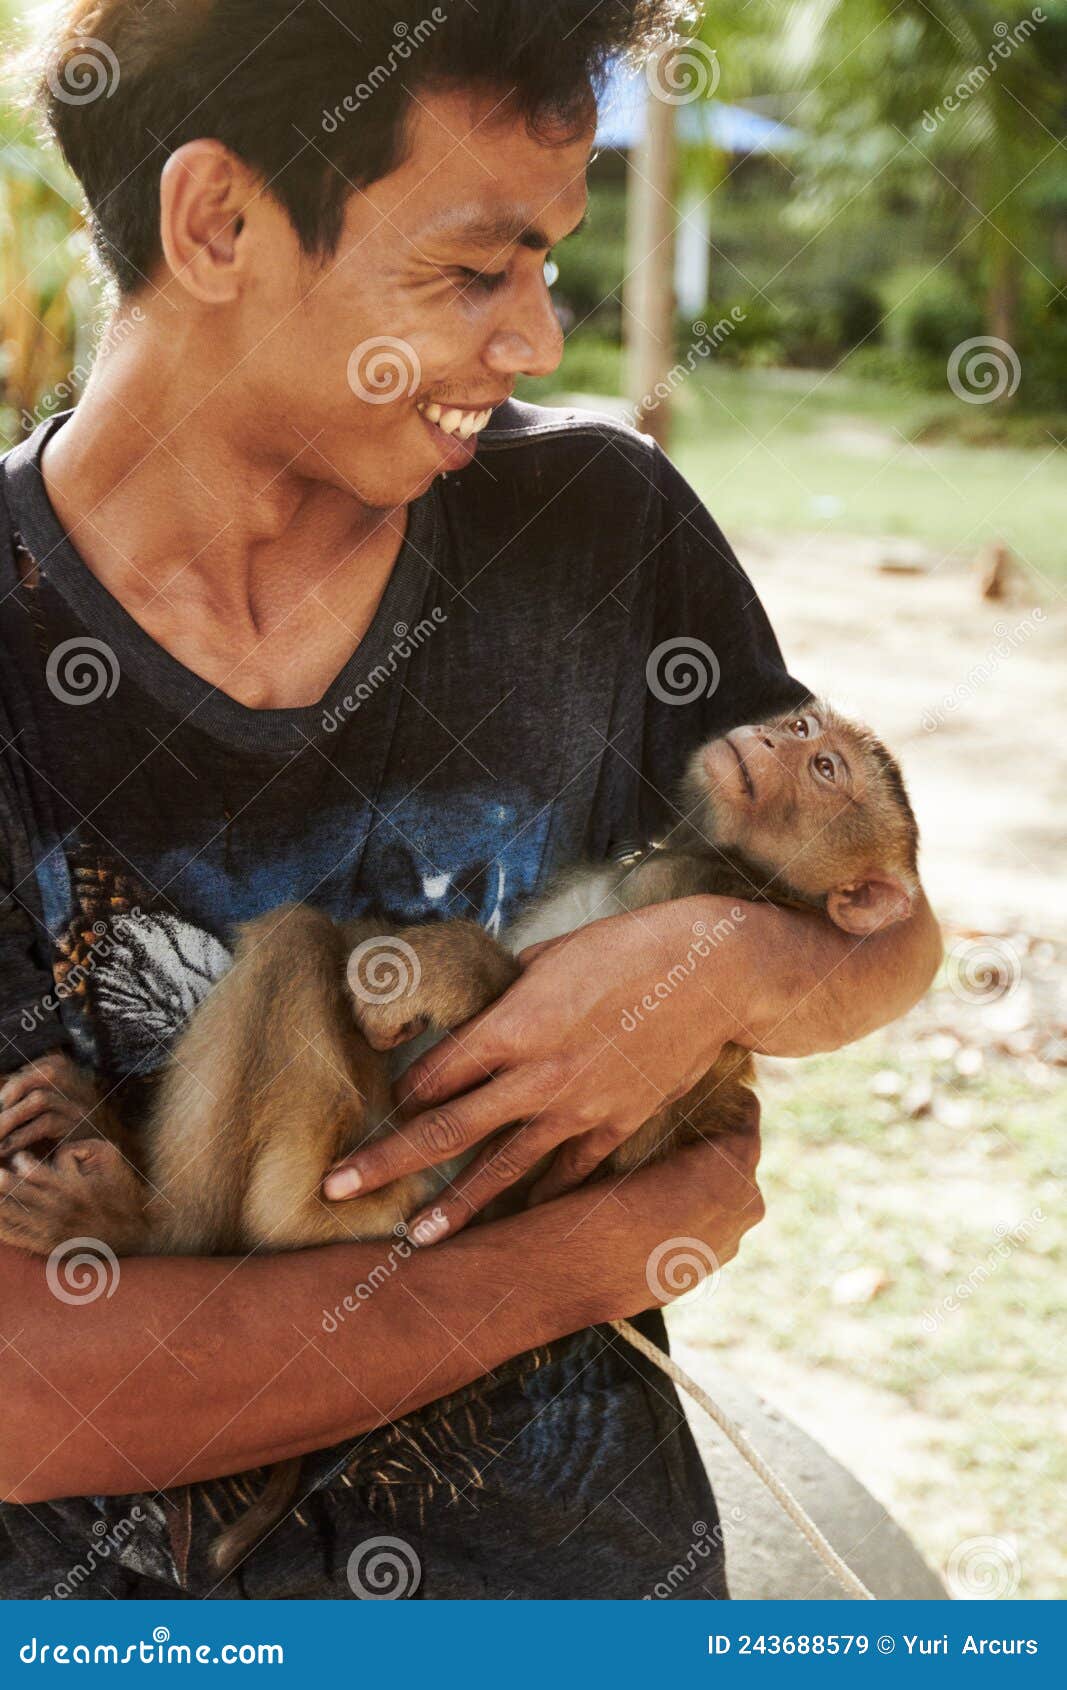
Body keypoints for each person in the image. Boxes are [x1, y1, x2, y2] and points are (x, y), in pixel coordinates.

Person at [0, 0, 941, 1599]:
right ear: (219, 221)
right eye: (472, 270)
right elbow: (30, 1394)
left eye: (554, 265)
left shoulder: (593, 523)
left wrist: (725, 965)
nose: (537, 341)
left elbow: (890, 927)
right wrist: (597, 1246)